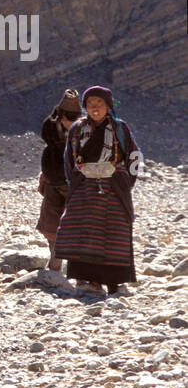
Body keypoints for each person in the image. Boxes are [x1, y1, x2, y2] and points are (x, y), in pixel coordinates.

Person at [54, 86, 141, 296]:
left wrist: (125, 181)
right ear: (85, 106)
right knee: (84, 232)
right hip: (85, 189)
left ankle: (115, 282)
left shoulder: (120, 128)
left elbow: (134, 155)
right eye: (90, 103)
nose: (95, 107)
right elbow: (69, 159)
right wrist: (74, 180)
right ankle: (88, 280)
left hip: (113, 188)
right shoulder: (77, 128)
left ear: (108, 105)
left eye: (99, 103)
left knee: (115, 232)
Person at [36, 89, 82, 270]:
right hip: (53, 180)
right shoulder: (52, 126)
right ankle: (55, 263)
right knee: (51, 223)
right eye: (67, 117)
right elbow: (48, 135)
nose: (70, 122)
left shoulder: (84, 130)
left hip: (75, 182)